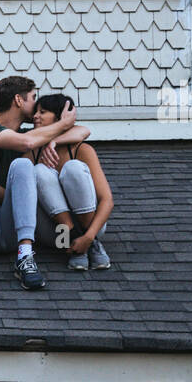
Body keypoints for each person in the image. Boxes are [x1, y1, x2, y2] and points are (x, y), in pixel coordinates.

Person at [0, 76, 90, 289]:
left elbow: (84, 130)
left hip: (9, 227)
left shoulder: (31, 137)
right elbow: (27, 142)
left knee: (23, 166)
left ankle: (25, 254)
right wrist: (63, 124)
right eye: (33, 98)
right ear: (18, 100)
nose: (37, 105)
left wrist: (54, 138)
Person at [30, 93, 113, 271]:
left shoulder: (81, 149)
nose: (35, 116)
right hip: (57, 234)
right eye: (35, 112)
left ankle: (89, 243)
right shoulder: (32, 149)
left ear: (61, 117)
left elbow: (107, 200)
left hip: (92, 228)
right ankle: (75, 239)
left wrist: (89, 237)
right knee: (38, 171)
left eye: (42, 112)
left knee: (73, 168)